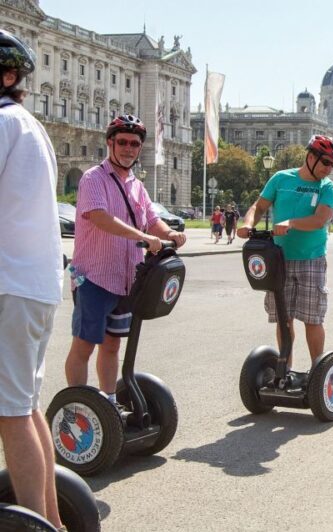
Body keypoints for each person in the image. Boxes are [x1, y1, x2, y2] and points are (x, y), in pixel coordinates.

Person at [64, 115, 187, 406]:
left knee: (112, 345)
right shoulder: (93, 178)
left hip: (126, 280)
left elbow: (151, 219)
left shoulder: (136, 185)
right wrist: (142, 237)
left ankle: (108, 403)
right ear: (110, 142)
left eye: (134, 143)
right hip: (93, 277)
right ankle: (79, 408)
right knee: (85, 345)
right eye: (122, 142)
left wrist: (170, 233)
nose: (128, 149)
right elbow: (100, 217)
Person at [0, 30, 65, 531]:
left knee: (10, 415)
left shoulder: (2, 123)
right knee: (26, 406)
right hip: (35, 286)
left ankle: (36, 525)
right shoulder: (30, 125)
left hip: (10, 285)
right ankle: (54, 522)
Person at [237, 135, 333, 375]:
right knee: (284, 318)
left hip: (311, 259)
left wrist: (291, 222)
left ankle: (318, 374)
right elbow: (259, 206)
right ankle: (286, 370)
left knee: (312, 318)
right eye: (326, 162)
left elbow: (320, 219)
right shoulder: (281, 178)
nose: (329, 168)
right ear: (311, 157)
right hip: (279, 259)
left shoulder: (327, 187)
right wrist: (248, 223)